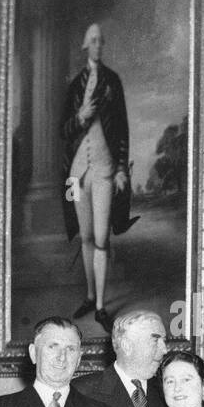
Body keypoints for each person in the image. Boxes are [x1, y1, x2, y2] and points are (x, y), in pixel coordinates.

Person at [61, 22, 130, 333]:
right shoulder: (74, 86)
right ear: (84, 46)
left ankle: (101, 306)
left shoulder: (113, 82)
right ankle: (90, 296)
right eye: (93, 40)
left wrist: (120, 169)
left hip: (104, 169)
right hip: (78, 172)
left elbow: (123, 128)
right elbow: (64, 131)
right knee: (86, 236)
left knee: (102, 238)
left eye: (102, 40)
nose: (98, 45)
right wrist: (80, 117)